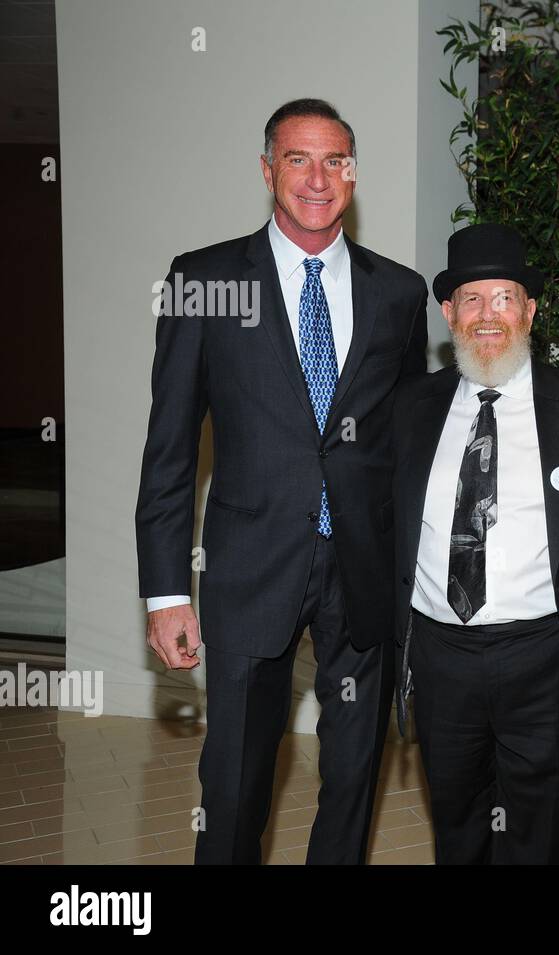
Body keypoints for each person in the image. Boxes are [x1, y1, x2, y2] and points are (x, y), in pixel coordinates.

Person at [135, 98, 429, 864]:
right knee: (232, 780)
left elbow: (401, 445)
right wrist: (166, 593)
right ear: (268, 170)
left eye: (335, 160)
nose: (317, 177)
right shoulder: (201, 280)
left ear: (353, 175)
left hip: (362, 568)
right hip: (249, 565)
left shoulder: (399, 292)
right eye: (298, 158)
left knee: (354, 773)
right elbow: (168, 446)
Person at [391, 223, 559, 864]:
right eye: (472, 299)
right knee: (458, 825)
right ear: (448, 312)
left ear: (530, 309)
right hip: (441, 656)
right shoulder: (410, 407)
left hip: (546, 658)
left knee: (545, 834)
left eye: (505, 298)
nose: (488, 315)